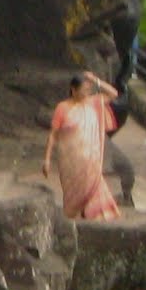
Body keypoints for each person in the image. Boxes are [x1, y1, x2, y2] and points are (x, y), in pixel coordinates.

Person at [41, 70, 122, 221]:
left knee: (96, 186)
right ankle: (76, 216)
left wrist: (95, 80)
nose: (87, 93)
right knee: (74, 195)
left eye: (88, 90)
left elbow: (113, 94)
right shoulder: (62, 108)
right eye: (84, 90)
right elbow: (53, 135)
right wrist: (46, 160)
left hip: (90, 159)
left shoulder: (92, 103)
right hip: (70, 161)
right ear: (73, 89)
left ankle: (96, 215)